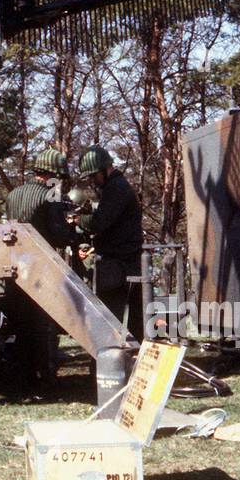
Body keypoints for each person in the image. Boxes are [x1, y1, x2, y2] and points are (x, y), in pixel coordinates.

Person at [76, 145, 144, 338]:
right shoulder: (116, 186)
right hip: (124, 262)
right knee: (131, 321)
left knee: (107, 320)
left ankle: (110, 363)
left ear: (104, 170)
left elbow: (100, 223)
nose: (92, 181)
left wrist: (77, 220)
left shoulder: (116, 188)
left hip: (119, 265)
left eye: (93, 176)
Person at [4, 148, 74, 249]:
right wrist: (71, 226)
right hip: (41, 261)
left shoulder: (12, 194)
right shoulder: (51, 198)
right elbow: (61, 240)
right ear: (54, 175)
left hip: (16, 256)